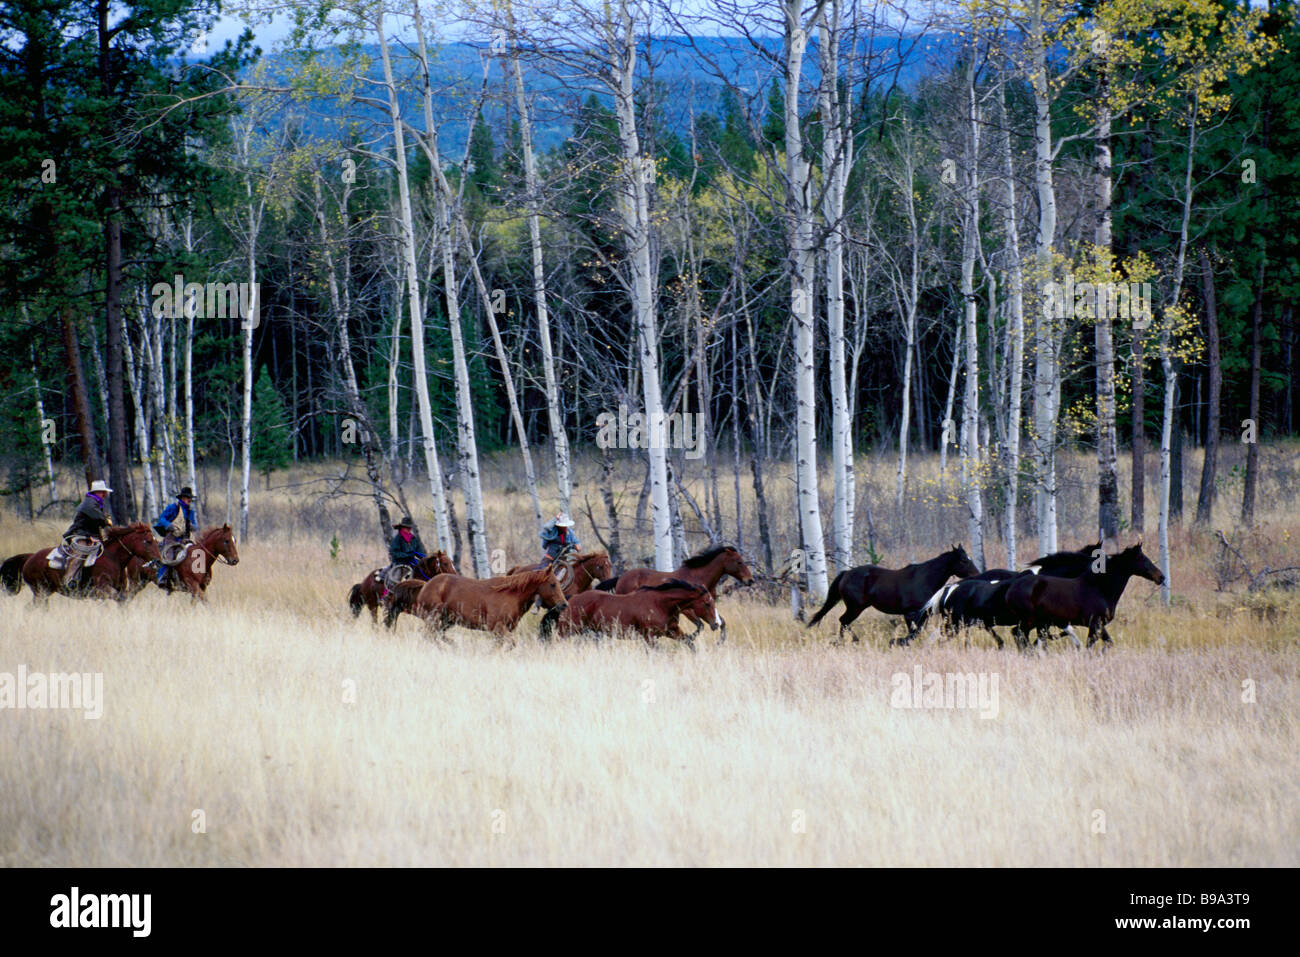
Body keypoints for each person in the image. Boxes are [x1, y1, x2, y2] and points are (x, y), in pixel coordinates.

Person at [52, 479, 113, 587]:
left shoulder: (96, 503)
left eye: (105, 492)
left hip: (91, 535)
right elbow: (99, 519)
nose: (104, 494)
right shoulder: (90, 503)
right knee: (79, 555)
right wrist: (106, 522)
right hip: (80, 534)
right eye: (102, 492)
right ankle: (69, 581)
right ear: (95, 492)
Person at [152, 487, 198, 587]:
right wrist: (169, 525)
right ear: (182, 498)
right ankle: (162, 577)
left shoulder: (191, 512)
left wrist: (192, 526)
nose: (189, 500)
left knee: (197, 554)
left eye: (190, 498)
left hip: (185, 539)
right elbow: (162, 519)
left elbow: (195, 526)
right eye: (187, 497)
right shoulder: (173, 507)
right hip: (171, 538)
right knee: (169, 556)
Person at [383, 516, 426, 597]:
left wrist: (424, 557)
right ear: (402, 527)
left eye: (409, 528)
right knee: (396, 578)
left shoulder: (413, 539)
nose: (408, 529)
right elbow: (395, 552)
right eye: (406, 527)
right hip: (400, 563)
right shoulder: (397, 539)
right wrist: (408, 555)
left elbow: (419, 550)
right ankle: (388, 596)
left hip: (413, 562)